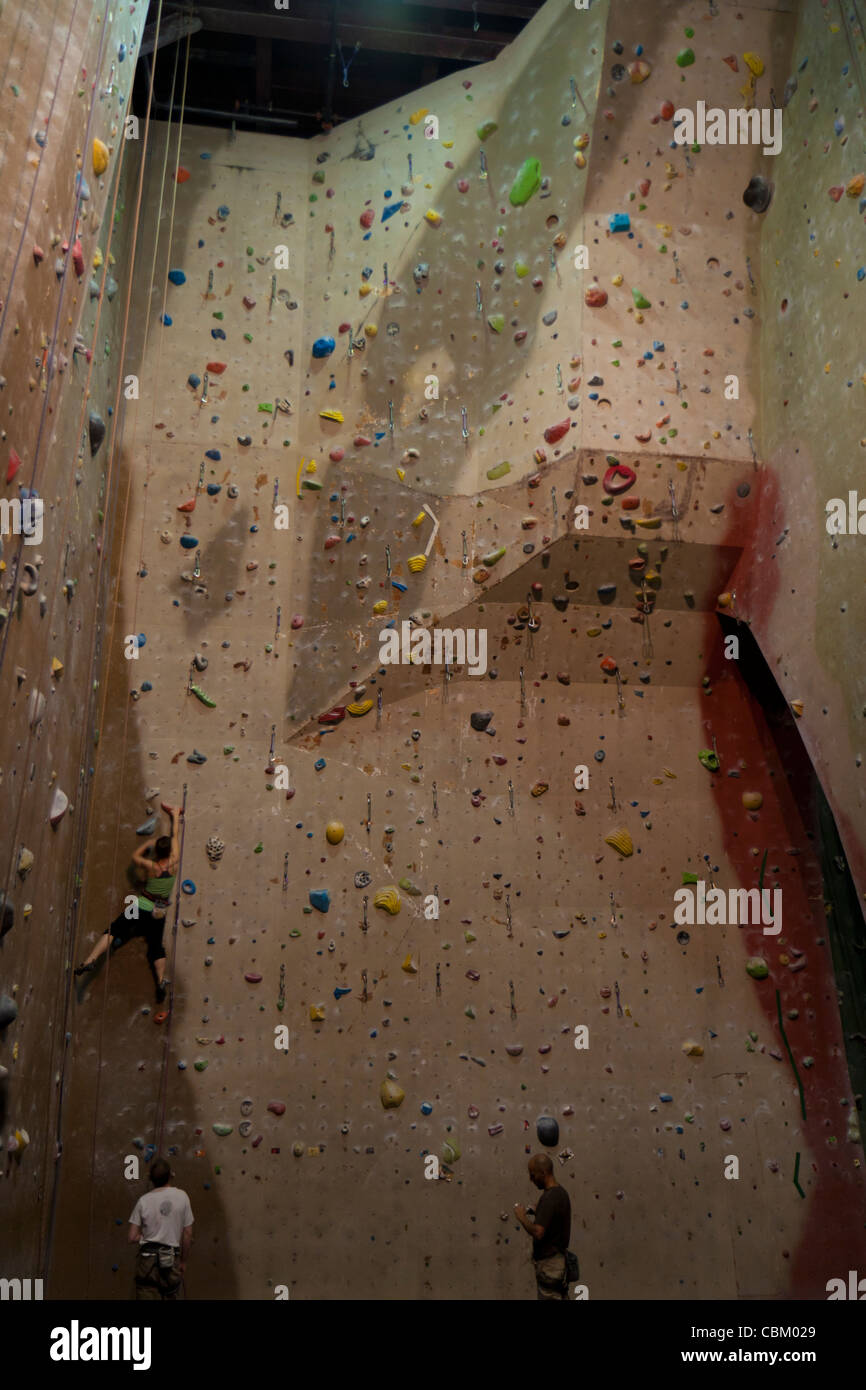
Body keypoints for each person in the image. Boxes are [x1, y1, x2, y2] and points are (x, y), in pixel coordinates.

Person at [74, 803, 181, 1002]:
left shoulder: (151, 866)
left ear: (157, 852)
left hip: (141, 906)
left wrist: (148, 843)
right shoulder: (174, 863)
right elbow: (175, 836)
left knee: (114, 929)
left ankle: (90, 960)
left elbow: (135, 857)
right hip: (158, 911)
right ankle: (159, 981)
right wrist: (175, 814)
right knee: (156, 947)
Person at [128, 1157, 194, 1300]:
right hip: (171, 1260)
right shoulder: (182, 1197)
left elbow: (132, 1237)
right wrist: (183, 1262)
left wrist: (148, 1236)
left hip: (148, 1263)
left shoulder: (143, 1200)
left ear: (151, 1179)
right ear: (171, 1175)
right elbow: (187, 1234)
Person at [514, 1153, 572, 1300]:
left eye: (533, 1175)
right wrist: (538, 1212)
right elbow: (554, 1222)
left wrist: (522, 1217)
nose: (531, 1179)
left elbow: (538, 1232)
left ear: (544, 1173)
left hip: (550, 1266)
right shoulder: (560, 1193)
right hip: (558, 1264)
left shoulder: (550, 1197)